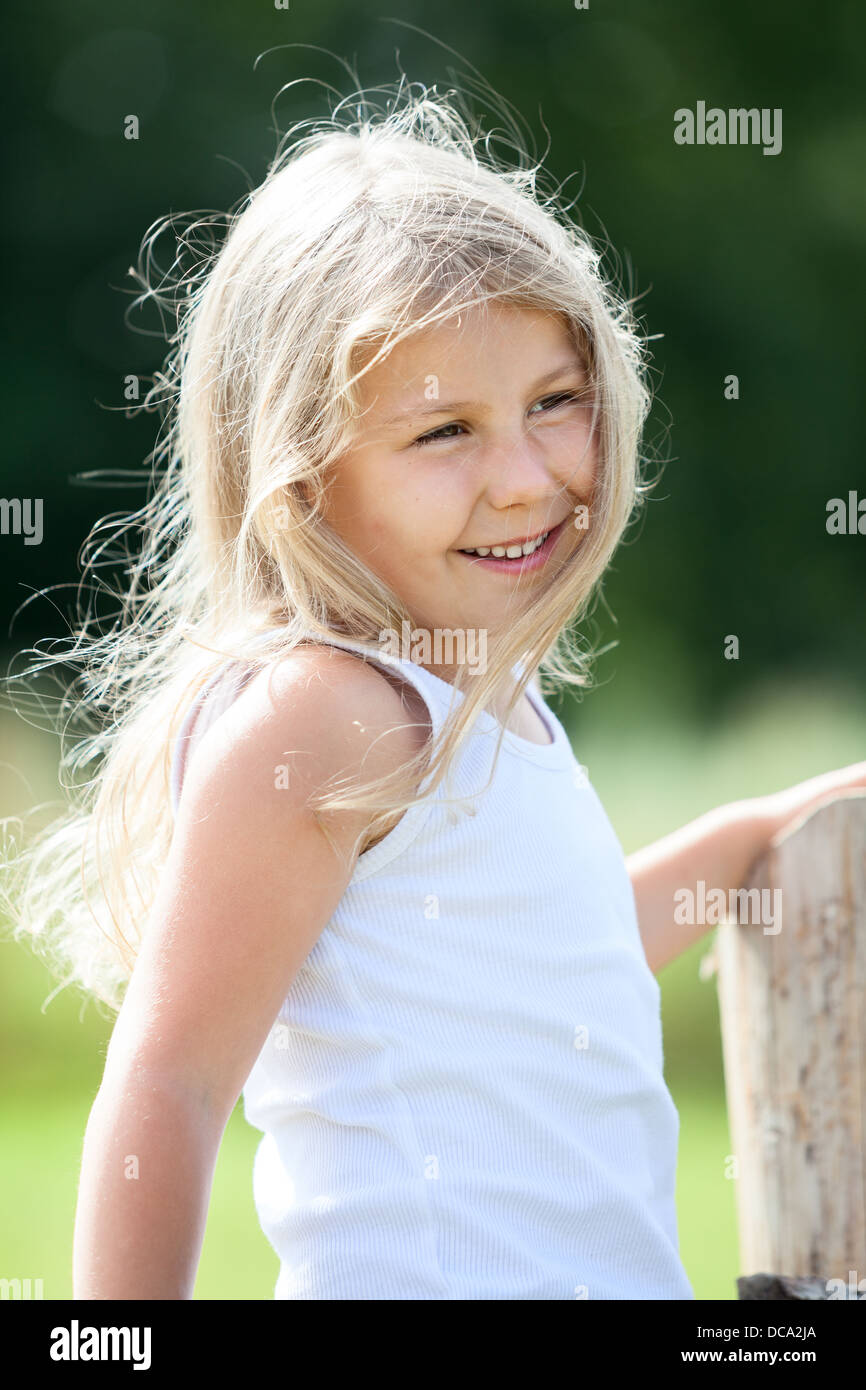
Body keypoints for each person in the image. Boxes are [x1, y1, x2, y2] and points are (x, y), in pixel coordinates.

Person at [4, 80, 864, 1300]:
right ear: (298, 473)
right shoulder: (328, 713)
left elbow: (535, 981)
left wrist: (744, 839)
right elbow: (172, 1081)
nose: (521, 478)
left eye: (554, 404)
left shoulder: (483, 701)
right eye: (442, 431)